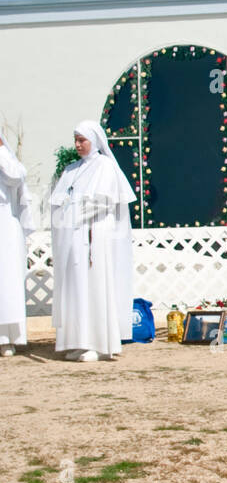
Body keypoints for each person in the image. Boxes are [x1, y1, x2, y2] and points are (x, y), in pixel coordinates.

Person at [50, 120, 136, 362]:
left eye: (82, 140)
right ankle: (77, 340)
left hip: (93, 235)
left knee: (94, 287)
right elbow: (57, 200)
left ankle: (96, 344)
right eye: (75, 140)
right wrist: (64, 213)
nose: (77, 144)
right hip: (72, 238)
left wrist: (73, 213)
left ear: (94, 141)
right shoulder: (71, 170)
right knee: (75, 290)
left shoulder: (105, 167)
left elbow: (103, 201)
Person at [0, 132, 34, 355]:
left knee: (4, 281)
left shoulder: (7, 159)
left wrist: (1, 149)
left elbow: (15, 176)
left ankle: (5, 337)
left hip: (4, 223)